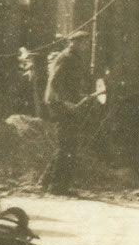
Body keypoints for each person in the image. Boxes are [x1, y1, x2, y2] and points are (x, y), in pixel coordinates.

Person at [41, 29, 97, 196]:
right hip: (60, 104)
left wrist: (79, 96)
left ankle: (47, 181)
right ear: (74, 43)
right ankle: (57, 187)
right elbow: (55, 81)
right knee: (66, 145)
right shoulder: (65, 57)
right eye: (84, 43)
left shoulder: (75, 58)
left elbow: (69, 84)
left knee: (68, 144)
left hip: (68, 103)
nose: (87, 46)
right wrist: (65, 102)